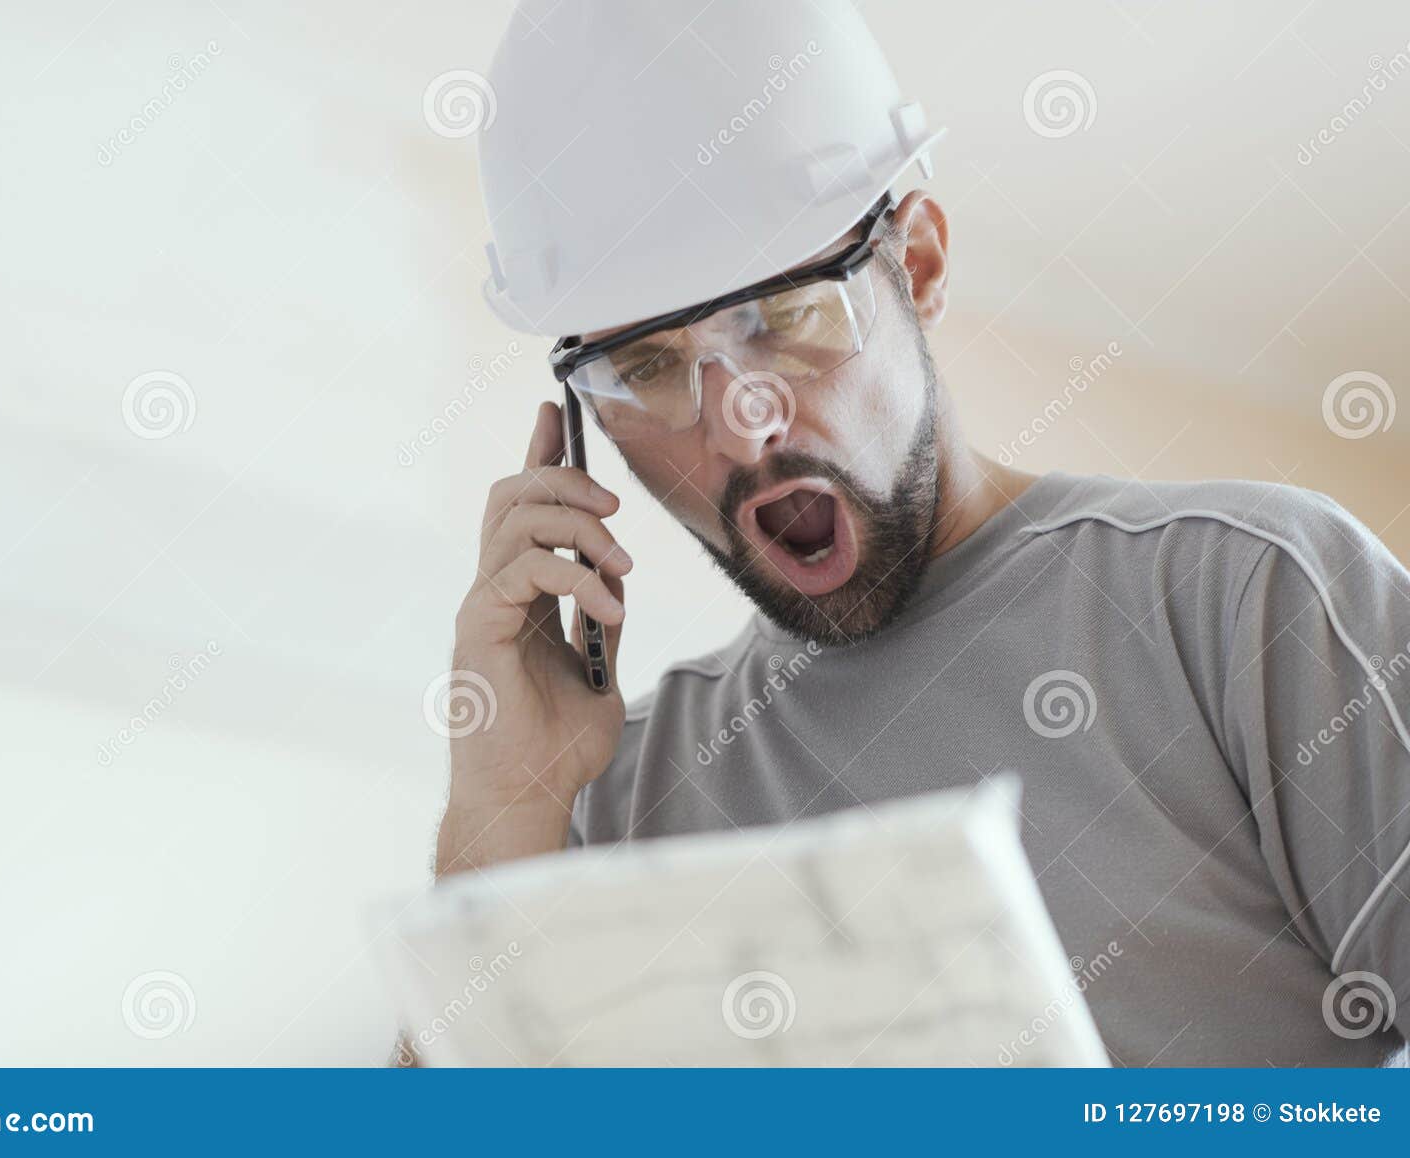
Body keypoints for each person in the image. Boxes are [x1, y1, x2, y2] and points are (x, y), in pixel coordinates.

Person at [433, 0, 1409, 1065]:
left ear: (921, 265)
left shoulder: (1245, 600)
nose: (740, 428)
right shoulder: (609, 805)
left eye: (787, 317)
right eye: (650, 370)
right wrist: (503, 812)